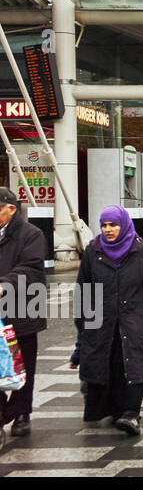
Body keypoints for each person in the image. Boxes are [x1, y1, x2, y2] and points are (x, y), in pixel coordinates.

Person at [76, 206, 143, 436]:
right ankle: (114, 409)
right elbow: (83, 290)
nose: (108, 230)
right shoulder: (93, 252)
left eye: (113, 225)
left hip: (134, 321)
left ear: (123, 225)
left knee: (134, 364)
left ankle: (132, 413)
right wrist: (81, 324)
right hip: (101, 322)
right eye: (104, 225)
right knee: (107, 363)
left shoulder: (142, 251)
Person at [0, 187, 45, 439]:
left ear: (11, 209)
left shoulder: (32, 234)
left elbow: (31, 268)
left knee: (23, 364)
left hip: (23, 310)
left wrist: (4, 284)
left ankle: (21, 413)